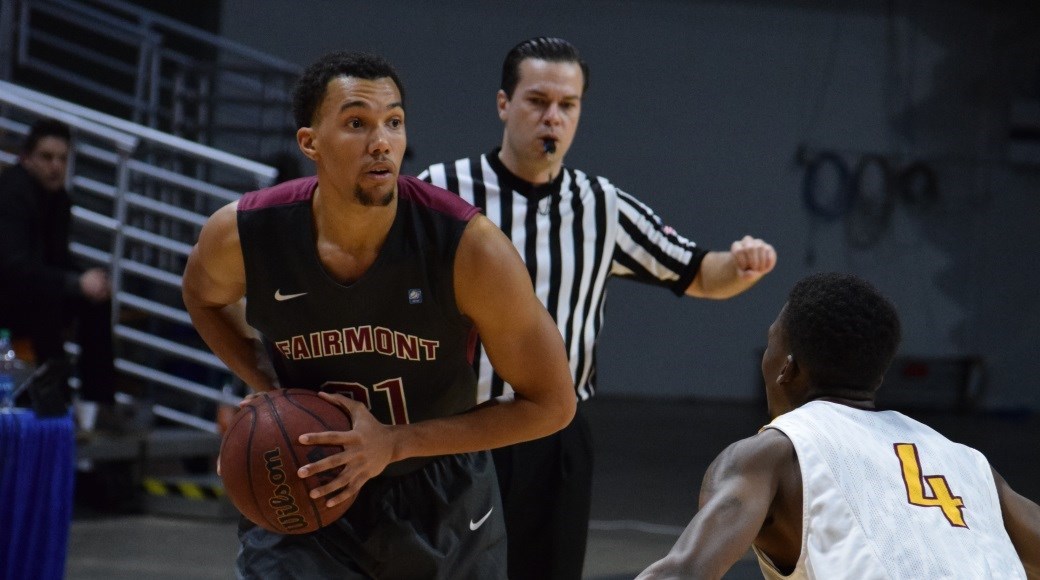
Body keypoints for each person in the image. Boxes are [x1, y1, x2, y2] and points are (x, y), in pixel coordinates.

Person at [181, 50, 575, 579]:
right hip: (306, 475)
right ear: (309, 143)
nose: (381, 141)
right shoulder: (246, 232)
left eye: (393, 121)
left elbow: (553, 404)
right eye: (356, 123)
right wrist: (266, 380)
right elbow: (201, 296)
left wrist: (393, 443)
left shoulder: (469, 248)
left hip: (437, 484)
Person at [418, 37, 777, 580]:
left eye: (568, 105)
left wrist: (743, 263)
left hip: (553, 432)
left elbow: (698, 272)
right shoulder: (442, 191)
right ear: (503, 104)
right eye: (538, 101)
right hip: (460, 427)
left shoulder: (600, 204)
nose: (552, 118)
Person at [637, 272, 1040, 579]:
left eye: (771, 342)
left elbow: (682, 573)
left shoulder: (772, 455)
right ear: (877, 377)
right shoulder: (968, 465)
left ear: (787, 368)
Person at [0, 118, 117, 415]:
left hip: (34, 289)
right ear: (26, 158)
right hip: (10, 295)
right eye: (47, 157)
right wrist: (75, 282)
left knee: (95, 301)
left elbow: (57, 259)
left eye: (63, 159)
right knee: (49, 299)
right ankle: (57, 399)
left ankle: (97, 405)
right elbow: (15, 268)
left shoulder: (59, 199)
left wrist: (88, 281)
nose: (56, 166)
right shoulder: (11, 194)